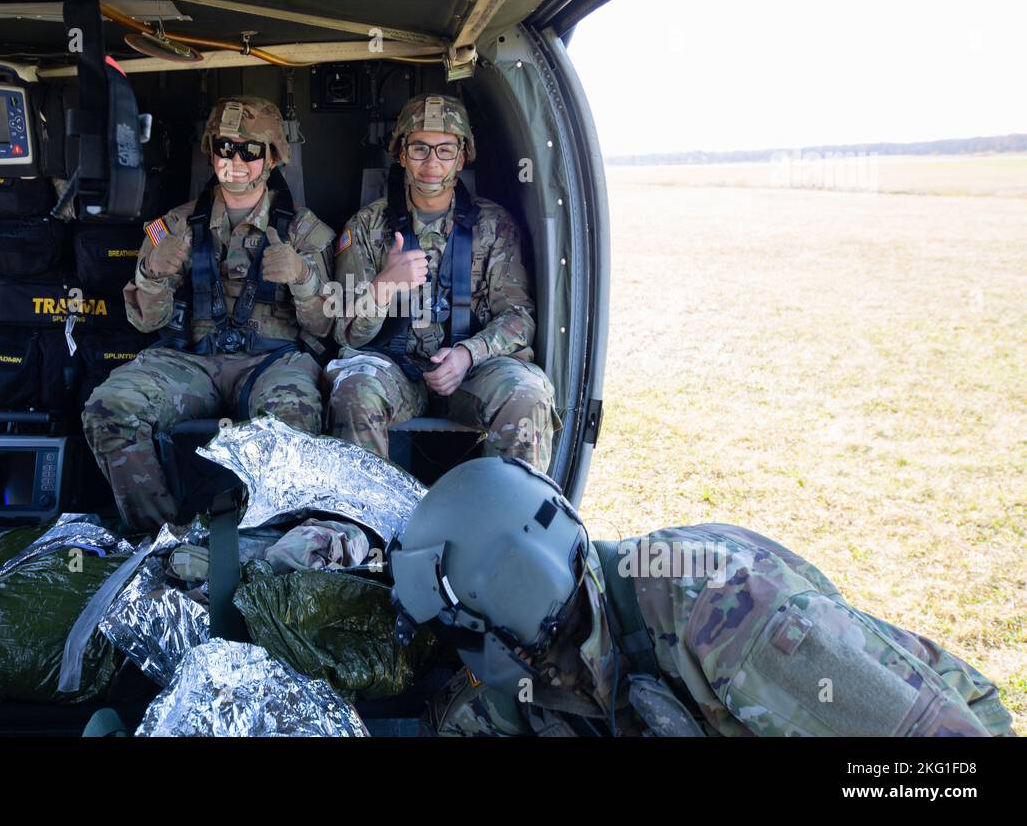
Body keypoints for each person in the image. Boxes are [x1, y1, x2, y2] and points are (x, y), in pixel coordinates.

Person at [391, 458, 1016, 737]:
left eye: (461, 629)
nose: (461, 648)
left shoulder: (725, 613)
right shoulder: (547, 653)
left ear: (509, 604)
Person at [82, 96, 334, 531]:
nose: (235, 160)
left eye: (250, 150)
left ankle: (268, 547)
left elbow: (325, 327)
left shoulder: (303, 230)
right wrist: (151, 274)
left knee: (293, 419)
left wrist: (302, 277)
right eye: (224, 147)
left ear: (272, 157)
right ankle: (159, 540)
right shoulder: (173, 227)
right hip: (190, 360)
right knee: (110, 408)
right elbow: (147, 323)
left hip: (272, 361)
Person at [327, 94, 558, 468]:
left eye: (445, 150)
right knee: (354, 389)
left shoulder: (494, 226)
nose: (432, 162)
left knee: (527, 395)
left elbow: (518, 317)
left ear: (462, 156)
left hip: (472, 373)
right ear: (401, 154)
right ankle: (361, 522)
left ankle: (509, 521)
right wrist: (385, 285)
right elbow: (346, 332)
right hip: (394, 370)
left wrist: (468, 354)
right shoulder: (366, 227)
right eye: (419, 148)